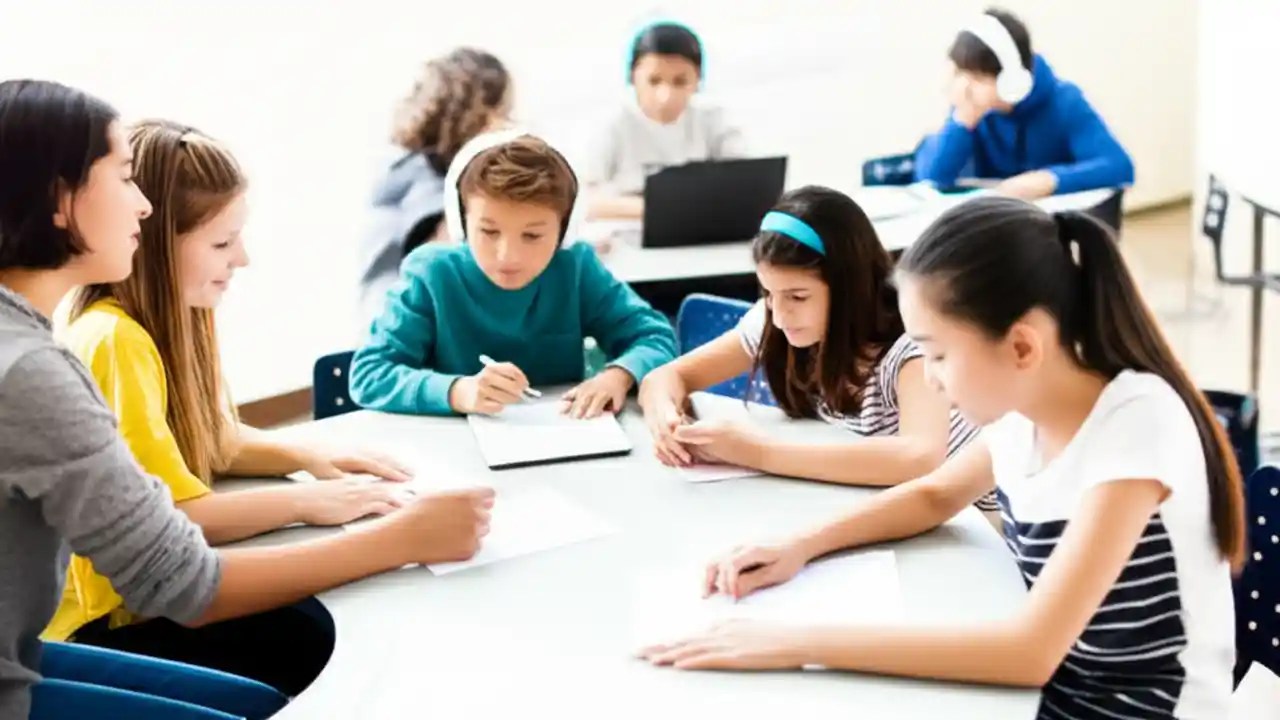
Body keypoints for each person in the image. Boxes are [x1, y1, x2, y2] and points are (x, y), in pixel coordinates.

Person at [641, 196, 1242, 720]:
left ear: (1022, 346)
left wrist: (796, 642)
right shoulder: (1027, 408)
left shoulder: (1134, 425)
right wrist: (799, 546)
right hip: (1057, 691)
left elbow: (1029, 653)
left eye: (936, 355)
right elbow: (935, 494)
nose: (930, 378)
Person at [0, 79, 492, 718]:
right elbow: (179, 581)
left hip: (21, 648)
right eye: (124, 178)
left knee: (264, 694)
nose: (145, 207)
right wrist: (405, 537)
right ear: (61, 201)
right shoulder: (34, 368)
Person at [41, 119, 421, 695]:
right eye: (221, 242)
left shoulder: (148, 328)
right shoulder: (111, 340)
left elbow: (206, 437)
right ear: (151, 244)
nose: (241, 258)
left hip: (145, 607)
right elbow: (172, 514)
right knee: (326, 647)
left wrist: (310, 455)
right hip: (105, 629)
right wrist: (312, 502)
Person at [639, 186, 988, 507]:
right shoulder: (780, 316)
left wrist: (756, 452)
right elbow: (664, 378)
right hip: (877, 502)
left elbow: (919, 457)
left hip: (973, 521)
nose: (778, 315)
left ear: (849, 287)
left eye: (798, 296)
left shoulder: (911, 342)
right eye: (768, 294)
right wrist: (667, 422)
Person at [350, 131, 676, 418]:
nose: (508, 256)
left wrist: (617, 375)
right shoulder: (430, 273)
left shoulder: (576, 267)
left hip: (561, 445)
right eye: (489, 232)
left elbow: (655, 336)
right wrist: (458, 391)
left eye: (532, 236)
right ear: (462, 224)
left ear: (564, 231)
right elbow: (370, 375)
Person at [359, 47, 513, 331]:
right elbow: (443, 260)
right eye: (504, 113)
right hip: (400, 342)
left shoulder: (404, 168)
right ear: (481, 113)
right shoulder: (425, 178)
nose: (508, 125)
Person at [914, 8, 1134, 201]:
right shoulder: (970, 109)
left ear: (1012, 79)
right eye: (961, 73)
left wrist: (1048, 180)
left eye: (978, 77)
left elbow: (1119, 166)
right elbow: (930, 180)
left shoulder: (1064, 101)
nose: (965, 87)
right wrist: (961, 123)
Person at [583, 20, 745, 220]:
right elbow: (586, 200)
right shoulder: (610, 126)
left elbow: (743, 188)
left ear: (697, 80)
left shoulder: (716, 122)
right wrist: (669, 209)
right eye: (654, 81)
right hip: (628, 234)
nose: (665, 96)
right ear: (633, 78)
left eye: (680, 81)